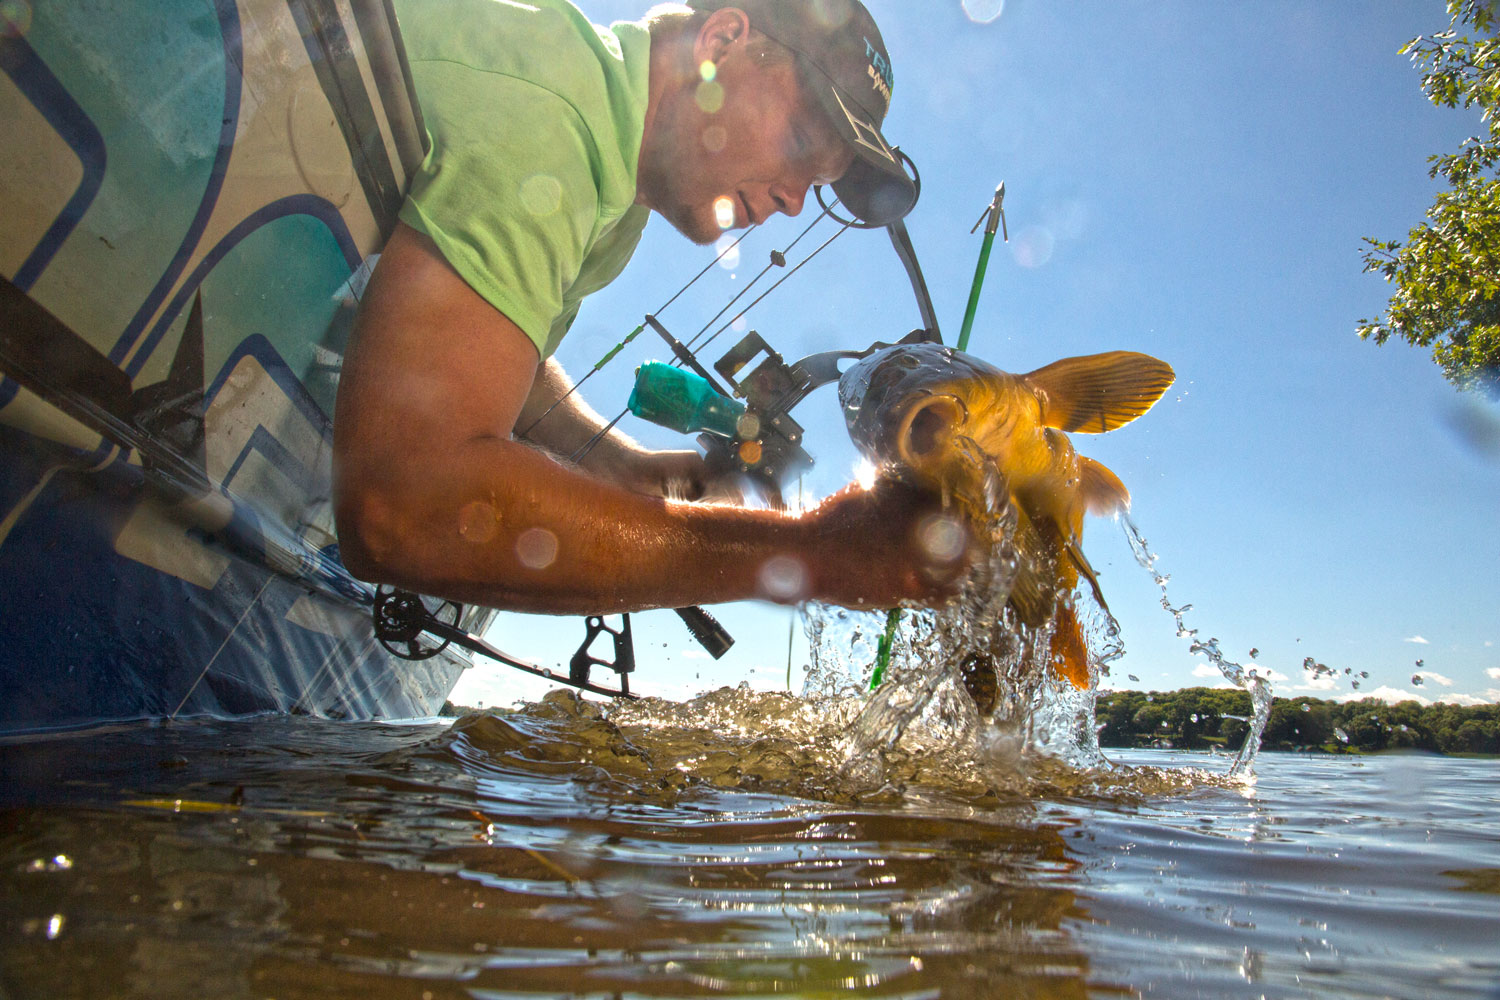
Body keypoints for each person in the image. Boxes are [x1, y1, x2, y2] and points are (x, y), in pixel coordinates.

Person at [332, 0, 974, 615]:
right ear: (720, 43)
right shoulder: (557, 125)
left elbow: (481, 351)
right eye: (802, 137)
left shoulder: (617, 205)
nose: (796, 202)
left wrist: (621, 467)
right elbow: (399, 508)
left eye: (818, 184)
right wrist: (812, 557)